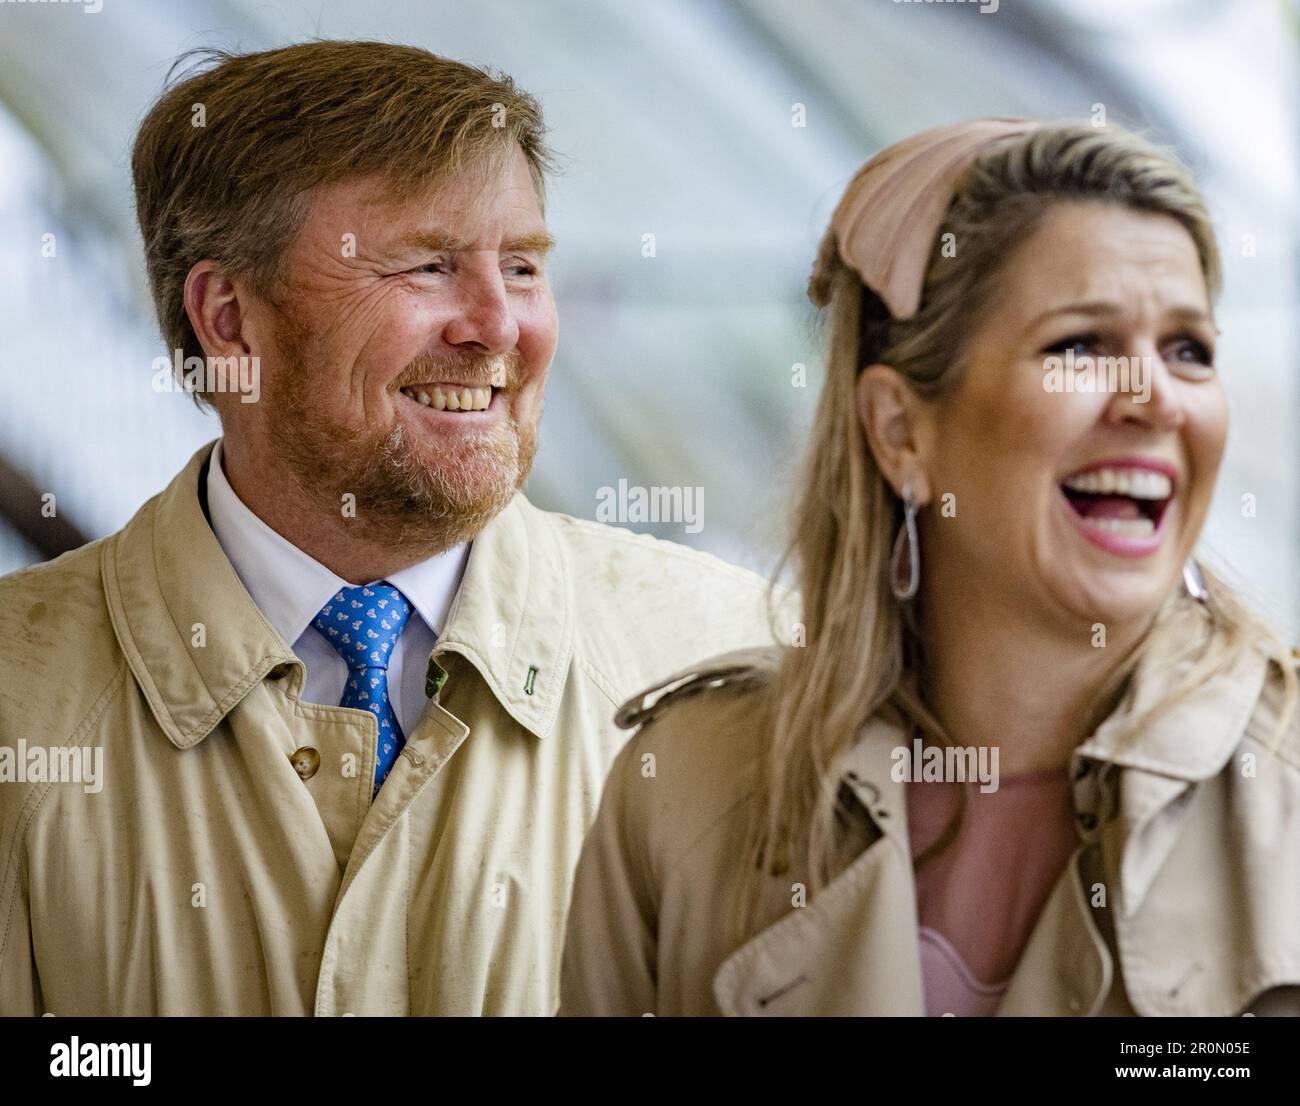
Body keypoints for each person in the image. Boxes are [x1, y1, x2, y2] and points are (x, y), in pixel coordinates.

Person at [0, 41, 780, 1016]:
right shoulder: (16, 696)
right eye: (427, 264)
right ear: (230, 319)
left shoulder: (728, 663)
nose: (502, 326)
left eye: (525, 265)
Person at [558, 118, 1300, 1017]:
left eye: (1189, 350)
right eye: (1079, 347)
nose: (1157, 403)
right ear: (902, 431)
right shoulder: (686, 782)